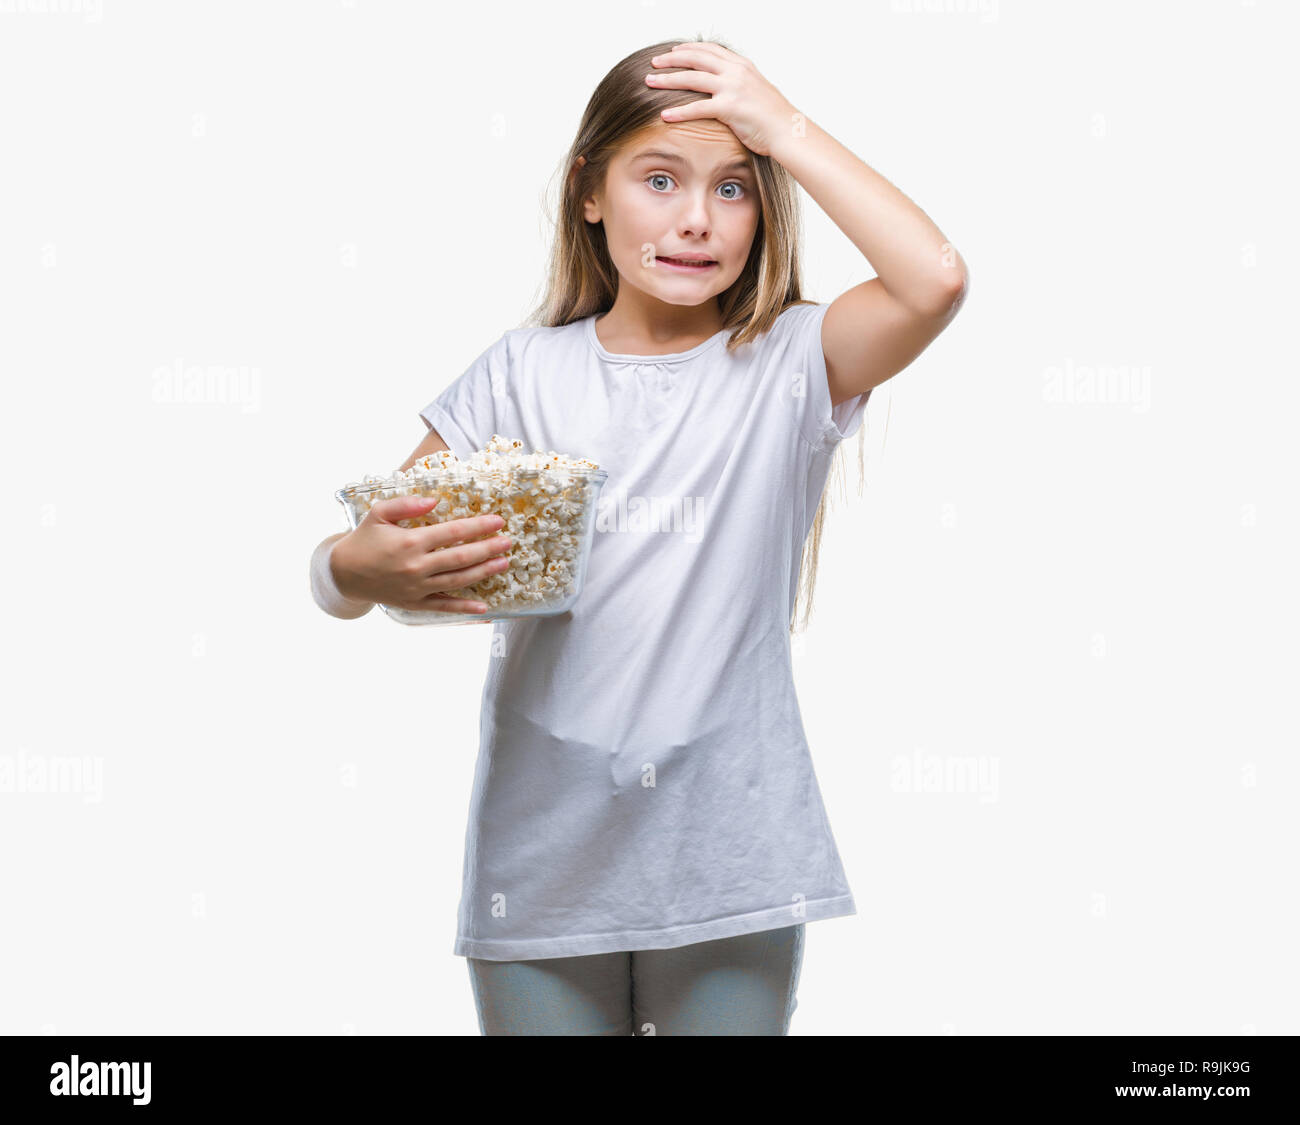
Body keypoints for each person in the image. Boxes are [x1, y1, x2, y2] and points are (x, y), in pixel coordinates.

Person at [309, 35, 968, 1035]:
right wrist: (343, 572)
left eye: (736, 188)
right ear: (589, 191)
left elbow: (934, 282)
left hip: (727, 853)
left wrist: (781, 126)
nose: (696, 220)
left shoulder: (791, 362)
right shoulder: (521, 373)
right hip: (542, 859)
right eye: (658, 179)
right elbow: (376, 551)